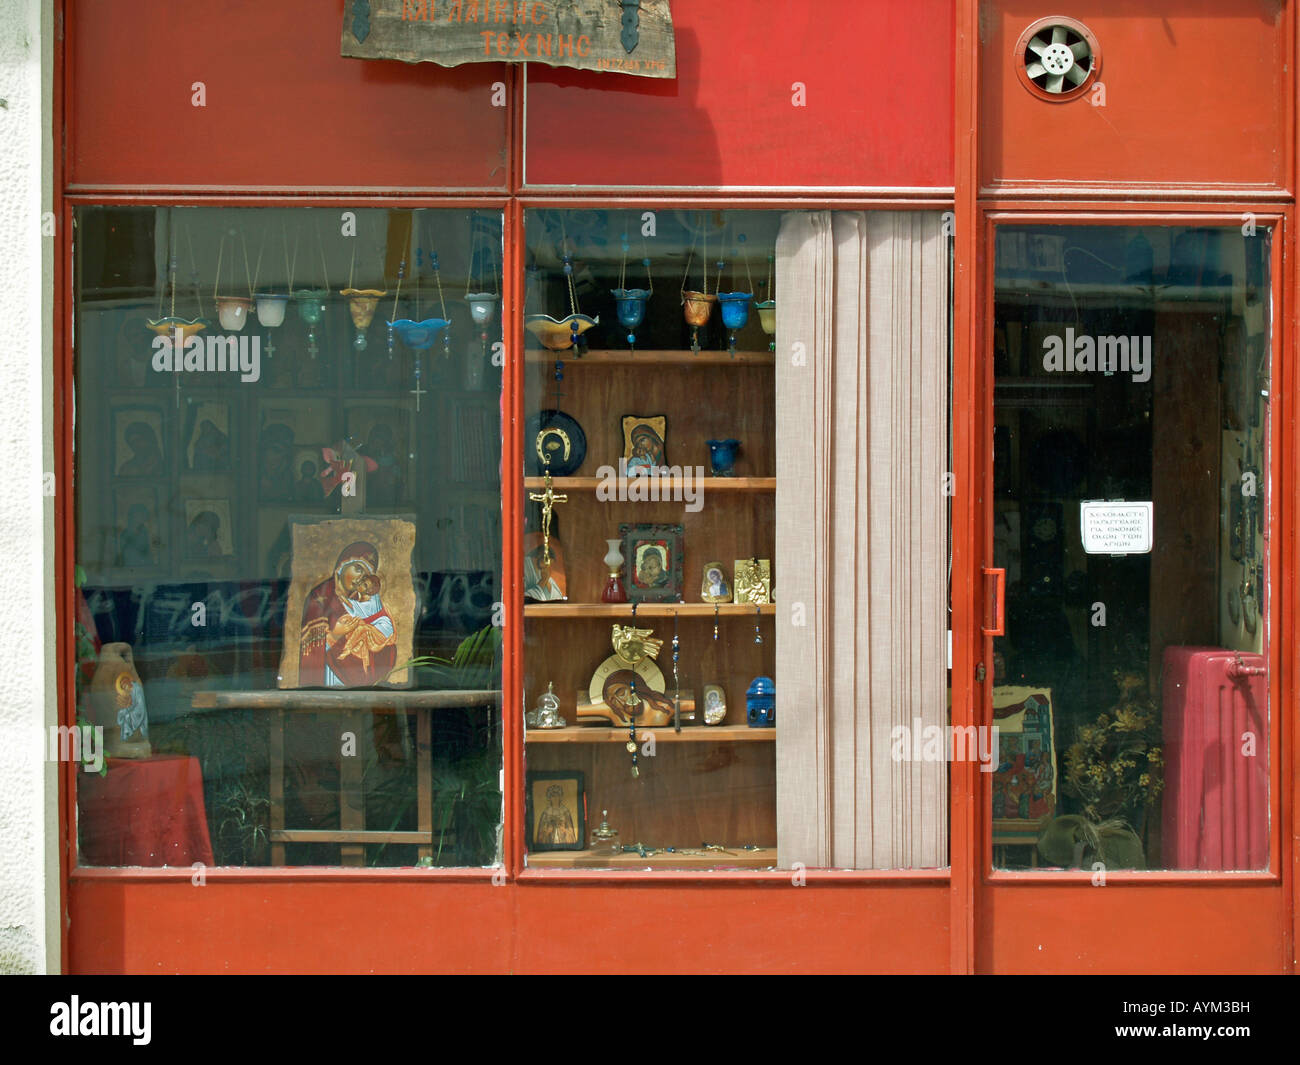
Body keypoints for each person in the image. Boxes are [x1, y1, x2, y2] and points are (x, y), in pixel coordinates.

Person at [299, 541, 398, 687]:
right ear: (342, 565)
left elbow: (384, 641)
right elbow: (310, 650)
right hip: (329, 678)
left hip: (358, 680)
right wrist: (334, 636)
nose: (360, 578)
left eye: (366, 575)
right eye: (358, 569)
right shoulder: (320, 597)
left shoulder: (363, 601)